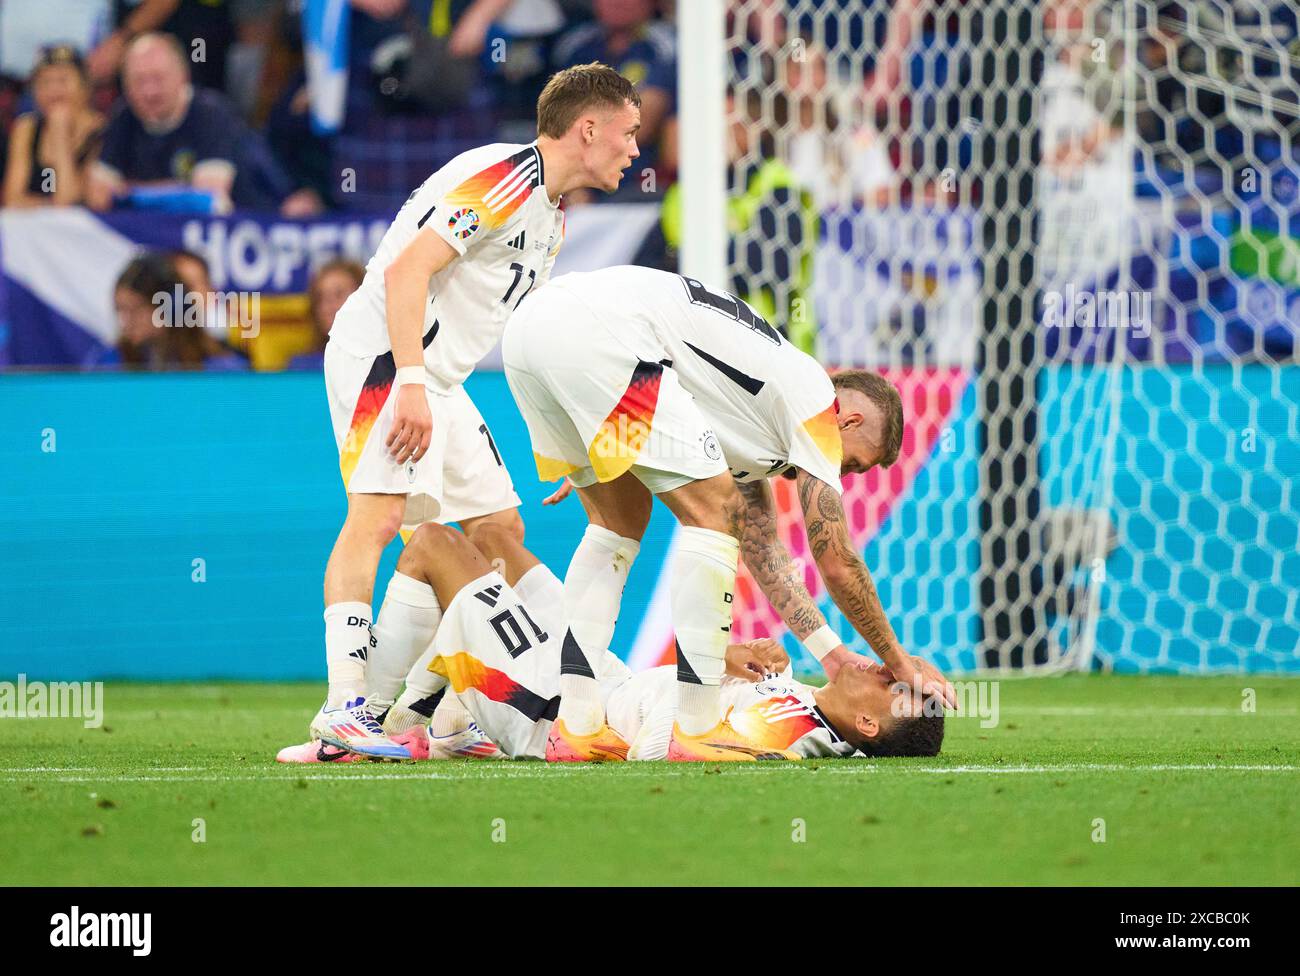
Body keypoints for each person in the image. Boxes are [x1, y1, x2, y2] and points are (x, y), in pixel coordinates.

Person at [306, 63, 642, 760]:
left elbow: (522, 338)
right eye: (628, 132)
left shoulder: (550, 216)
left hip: (437, 376)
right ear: (588, 129)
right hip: (386, 357)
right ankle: (344, 707)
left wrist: (566, 440)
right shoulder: (504, 179)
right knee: (379, 519)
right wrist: (409, 381)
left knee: (498, 530)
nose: (635, 150)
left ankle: (449, 714)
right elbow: (407, 270)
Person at [502, 265, 956, 761]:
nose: (839, 475)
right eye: (851, 464)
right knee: (713, 517)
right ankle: (695, 729)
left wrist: (830, 653)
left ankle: (577, 726)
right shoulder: (816, 405)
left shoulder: (755, 409)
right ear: (849, 420)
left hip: (535, 333)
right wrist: (899, 663)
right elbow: (838, 563)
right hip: (606, 338)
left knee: (618, 523)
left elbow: (760, 544)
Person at [294, 520, 945, 762]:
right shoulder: (804, 709)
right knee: (492, 538)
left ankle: (374, 725)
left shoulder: (789, 733)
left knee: (435, 545)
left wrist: (707, 660)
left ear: (867, 723)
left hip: (557, 711)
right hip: (602, 677)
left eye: (891, 686)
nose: (885, 668)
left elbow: (660, 747)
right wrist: (725, 662)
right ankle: (443, 723)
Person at [87, 32, 319, 215]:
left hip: (252, 224)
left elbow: (207, 198)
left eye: (158, 78)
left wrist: (129, 193)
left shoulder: (210, 112)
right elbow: (97, 195)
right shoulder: (124, 116)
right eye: (139, 81)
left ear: (183, 76)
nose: (150, 92)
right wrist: (175, 191)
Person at [2, 45, 104, 208]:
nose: (53, 91)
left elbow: (69, 200)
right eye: (45, 82)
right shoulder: (26, 128)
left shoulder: (102, 132)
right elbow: (12, 199)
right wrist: (50, 205)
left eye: (63, 80)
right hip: (33, 223)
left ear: (85, 87)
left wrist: (60, 135)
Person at [286, 260, 366, 372]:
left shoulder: (385, 363)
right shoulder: (301, 367)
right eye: (321, 298)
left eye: (338, 294)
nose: (328, 307)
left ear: (364, 298)